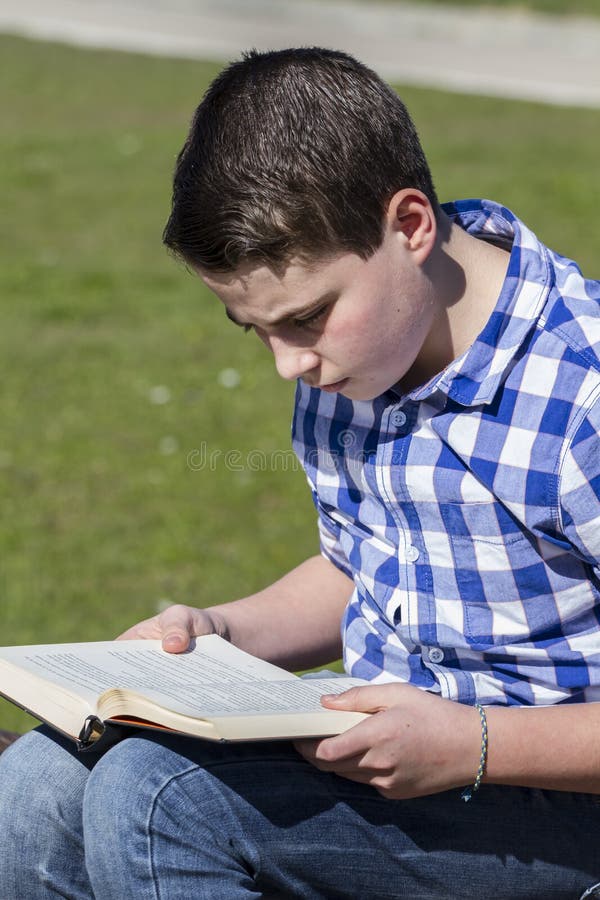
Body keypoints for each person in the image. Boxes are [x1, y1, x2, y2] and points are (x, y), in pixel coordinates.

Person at [1, 46, 599, 900]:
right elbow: (366, 568)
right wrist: (224, 633)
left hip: (548, 792)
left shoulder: (583, 393)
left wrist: (471, 744)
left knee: (159, 798)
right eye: (258, 332)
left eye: (308, 318)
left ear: (411, 226)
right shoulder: (358, 360)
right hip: (386, 739)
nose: (289, 365)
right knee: (38, 784)